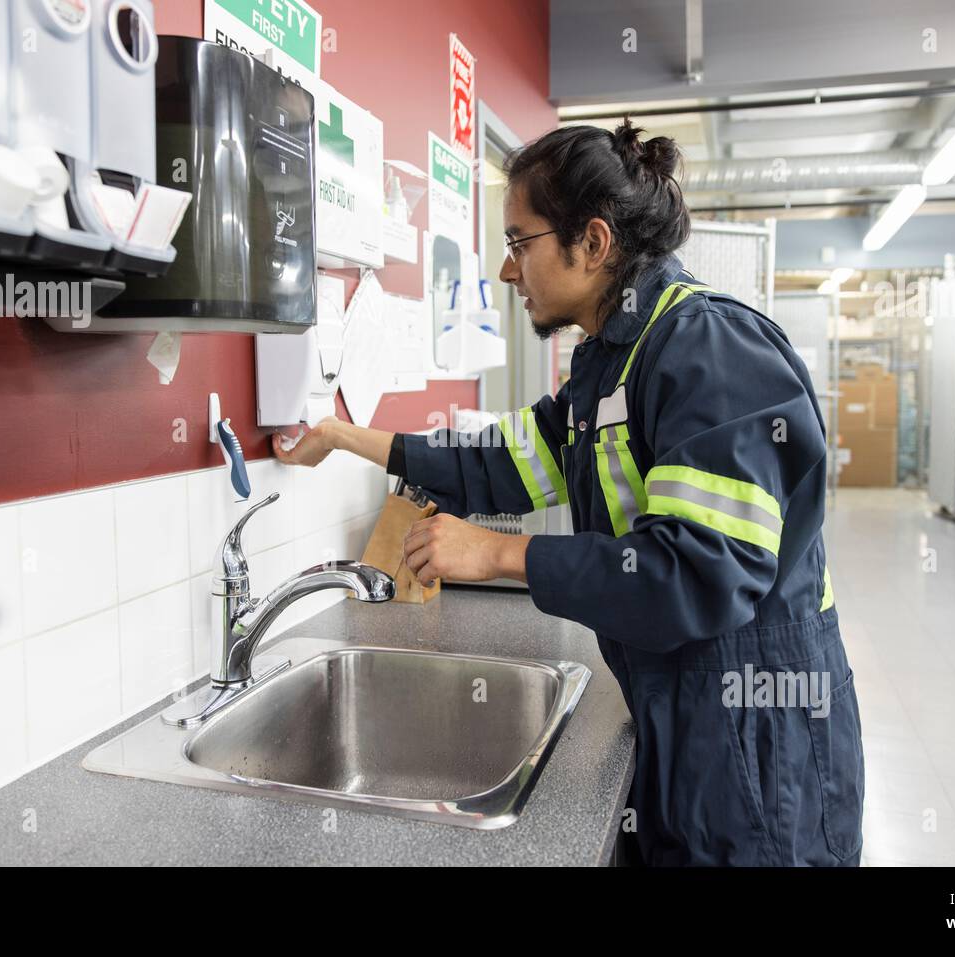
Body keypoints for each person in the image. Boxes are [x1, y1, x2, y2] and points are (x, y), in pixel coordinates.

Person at [273, 120, 864, 866]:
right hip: (679, 709)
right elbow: (498, 462)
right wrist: (344, 435)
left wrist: (498, 553)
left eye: (521, 243)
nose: (508, 271)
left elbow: (696, 574)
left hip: (755, 735)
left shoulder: (709, 352)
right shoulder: (609, 360)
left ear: (591, 242)